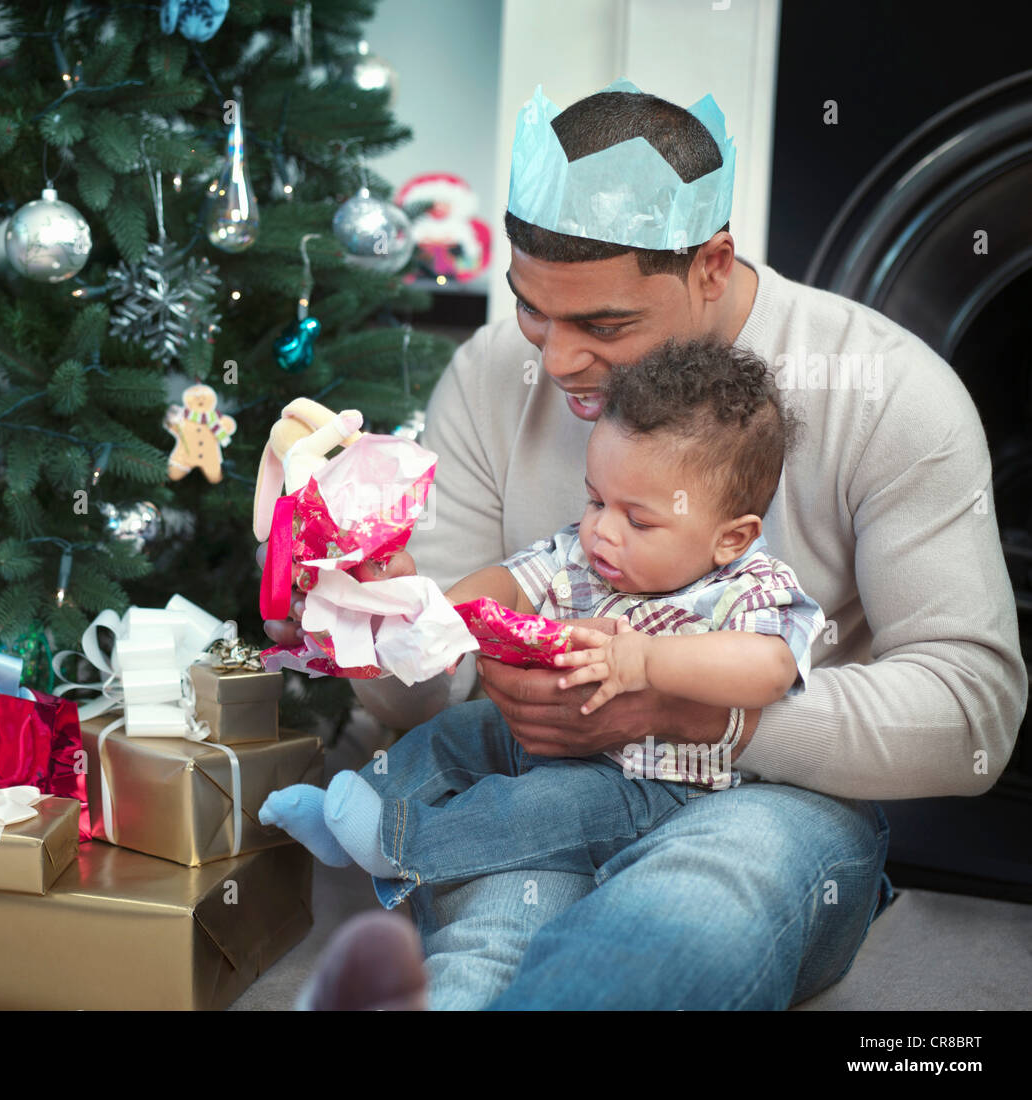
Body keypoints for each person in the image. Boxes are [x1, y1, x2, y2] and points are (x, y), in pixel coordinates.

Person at [265, 79, 1027, 1010]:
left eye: (604, 324)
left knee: (681, 917)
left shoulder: (890, 394)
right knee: (490, 930)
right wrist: (381, 615)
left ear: (711, 264)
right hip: (532, 774)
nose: (556, 362)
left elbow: (973, 718)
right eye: (533, 310)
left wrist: (696, 713)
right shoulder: (488, 377)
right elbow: (424, 697)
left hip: (760, 799)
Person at [262, 338, 829, 895]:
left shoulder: (748, 586)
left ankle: (399, 846)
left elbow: (770, 667)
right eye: (597, 501)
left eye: (640, 520)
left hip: (646, 783)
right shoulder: (582, 555)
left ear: (732, 538)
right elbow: (508, 583)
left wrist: (648, 661)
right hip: (539, 735)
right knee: (451, 734)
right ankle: (355, 812)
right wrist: (439, 613)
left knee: (530, 808)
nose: (603, 529)